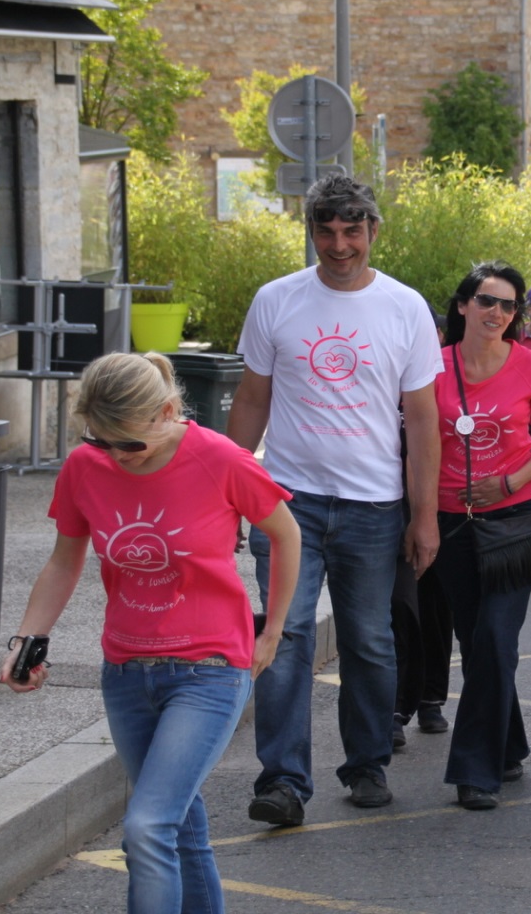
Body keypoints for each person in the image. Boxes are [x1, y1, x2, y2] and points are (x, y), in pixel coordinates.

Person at [0, 352, 300, 913]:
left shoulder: (219, 459)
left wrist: (274, 629)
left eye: (129, 444)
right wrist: (26, 641)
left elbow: (285, 534)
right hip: (125, 671)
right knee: (176, 827)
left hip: (209, 669)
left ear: (166, 411)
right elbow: (65, 561)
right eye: (100, 441)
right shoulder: (85, 467)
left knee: (147, 826)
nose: (113, 455)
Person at [229, 174, 443, 825]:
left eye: (353, 230)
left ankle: (367, 763)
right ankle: (284, 781)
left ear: (374, 231)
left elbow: (423, 420)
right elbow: (252, 400)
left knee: (370, 641)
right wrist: (229, 490)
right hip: (286, 502)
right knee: (285, 636)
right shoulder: (276, 301)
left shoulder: (405, 308)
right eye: (326, 230)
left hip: (374, 507)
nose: (339, 244)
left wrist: (424, 515)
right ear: (312, 231)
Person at [432, 262, 531, 810]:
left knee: (493, 638)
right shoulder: (430, 366)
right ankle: (507, 743)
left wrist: (510, 480)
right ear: (464, 304)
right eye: (487, 301)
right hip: (446, 522)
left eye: (508, 306)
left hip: (513, 522)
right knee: (477, 640)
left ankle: (475, 768)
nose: (498, 313)